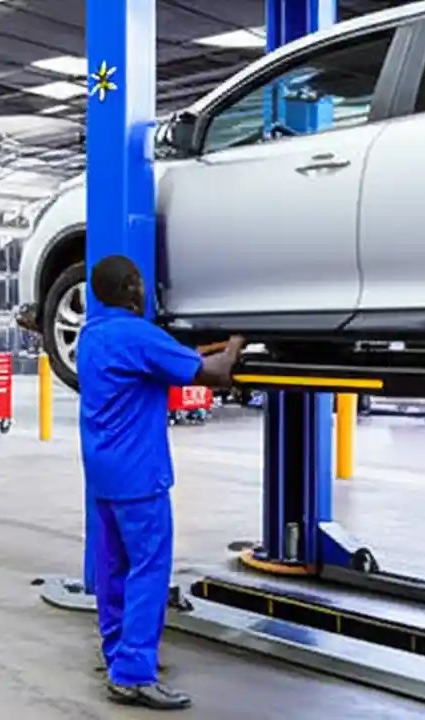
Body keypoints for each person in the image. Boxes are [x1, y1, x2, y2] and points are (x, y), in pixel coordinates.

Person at [77, 254, 244, 710]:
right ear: (133, 287)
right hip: (139, 478)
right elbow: (215, 375)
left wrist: (197, 349)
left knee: (112, 569)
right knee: (149, 570)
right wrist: (234, 344)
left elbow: (167, 355)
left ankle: (117, 656)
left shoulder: (93, 334)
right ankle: (134, 675)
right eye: (140, 283)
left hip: (102, 475)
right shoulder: (139, 336)